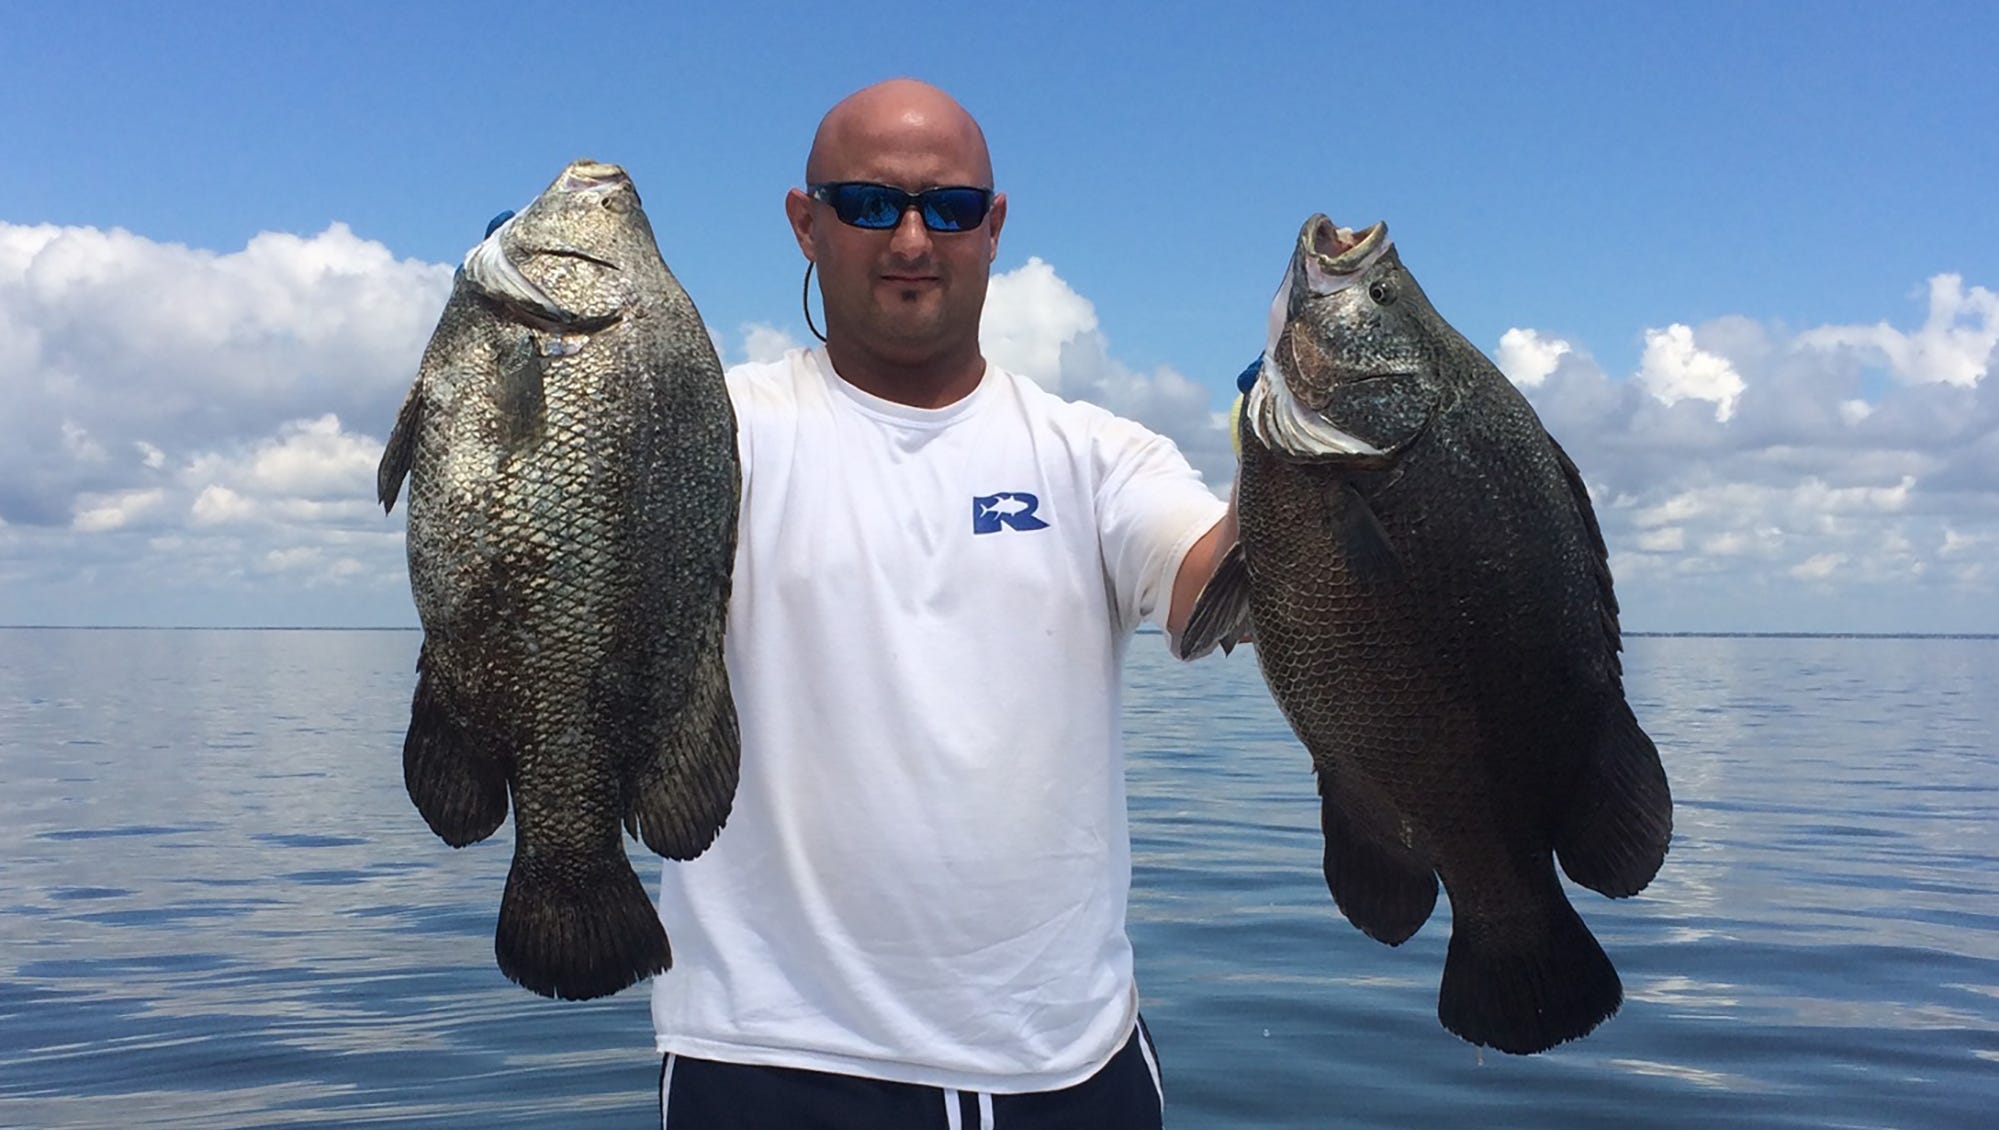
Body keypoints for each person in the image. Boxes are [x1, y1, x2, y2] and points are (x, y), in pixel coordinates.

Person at [651, 78, 1237, 1130]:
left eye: (950, 208)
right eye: (870, 204)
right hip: (766, 1050)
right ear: (805, 222)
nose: (913, 238)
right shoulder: (711, 430)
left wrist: (1310, 462)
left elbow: (1216, 594)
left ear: (994, 227)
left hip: (1065, 1059)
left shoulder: (1093, 452)